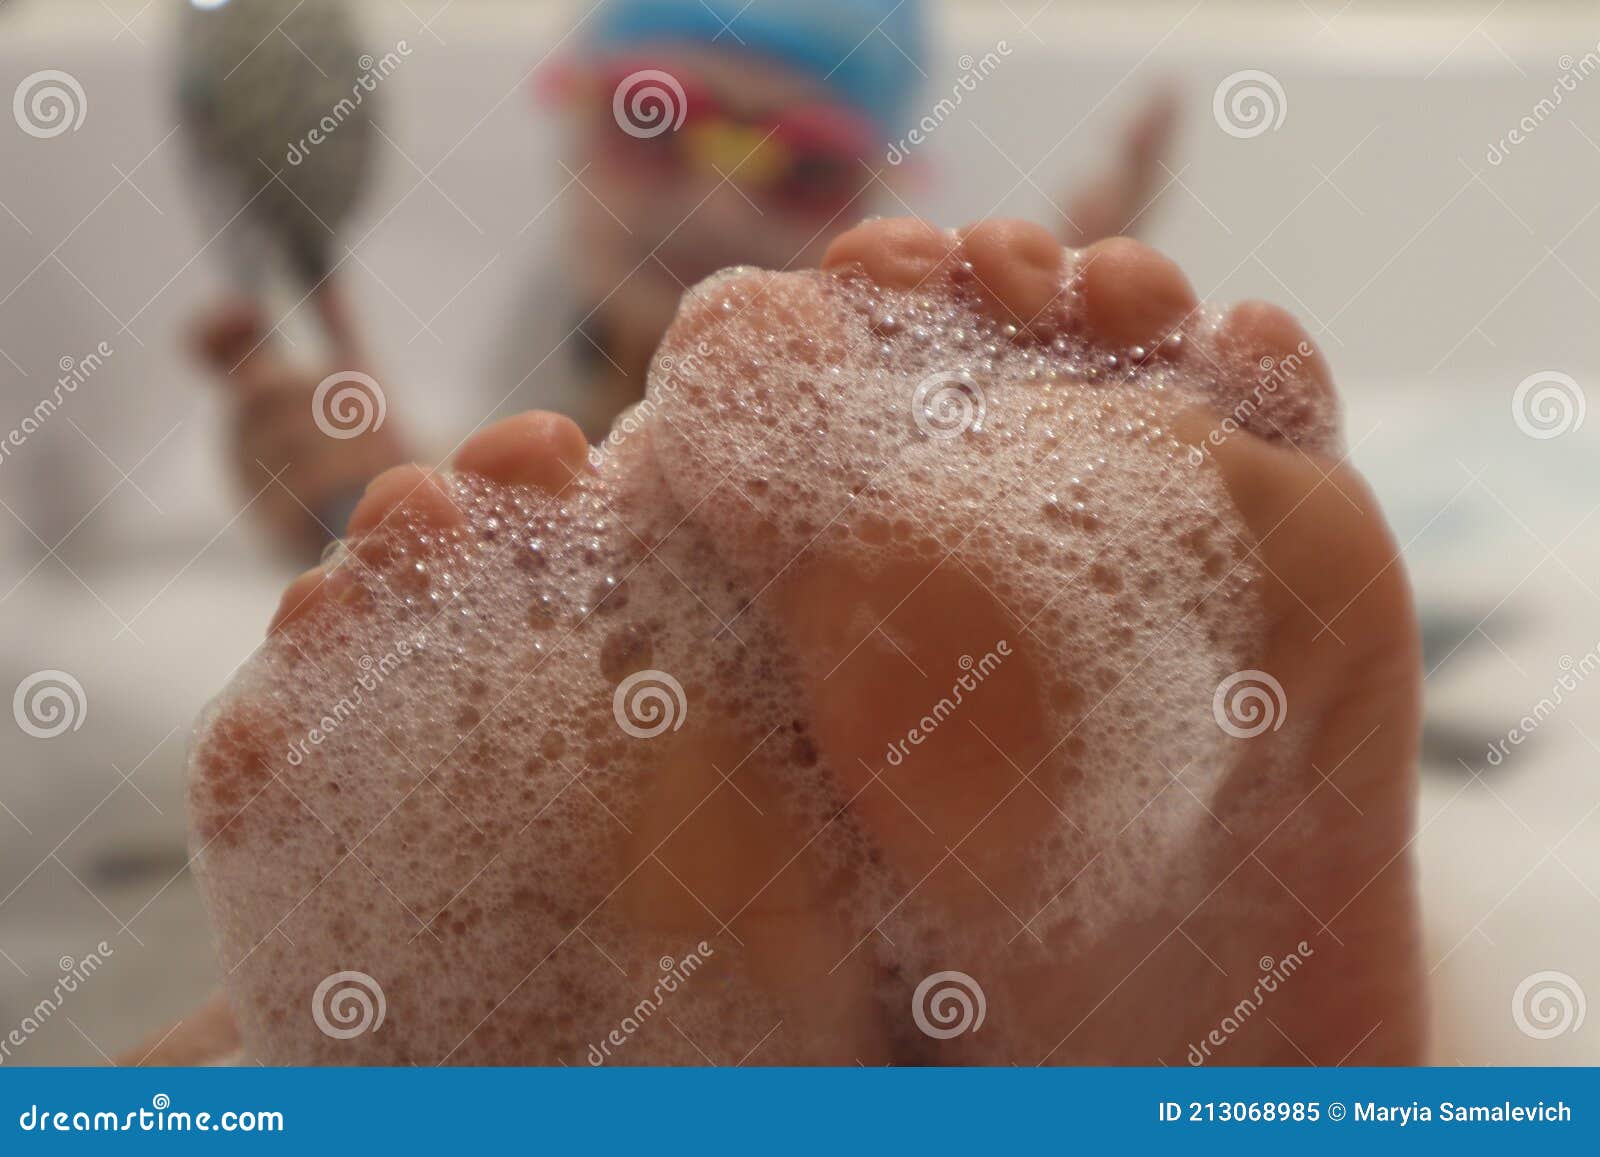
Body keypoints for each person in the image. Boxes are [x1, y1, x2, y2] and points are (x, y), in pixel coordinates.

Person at [188, 0, 1177, 562]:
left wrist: (1049, 409)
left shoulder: (883, 477)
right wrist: (347, 520)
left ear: (874, 200)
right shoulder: (531, 423)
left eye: (802, 166)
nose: (711, 207)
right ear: (571, 129)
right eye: (653, 124)